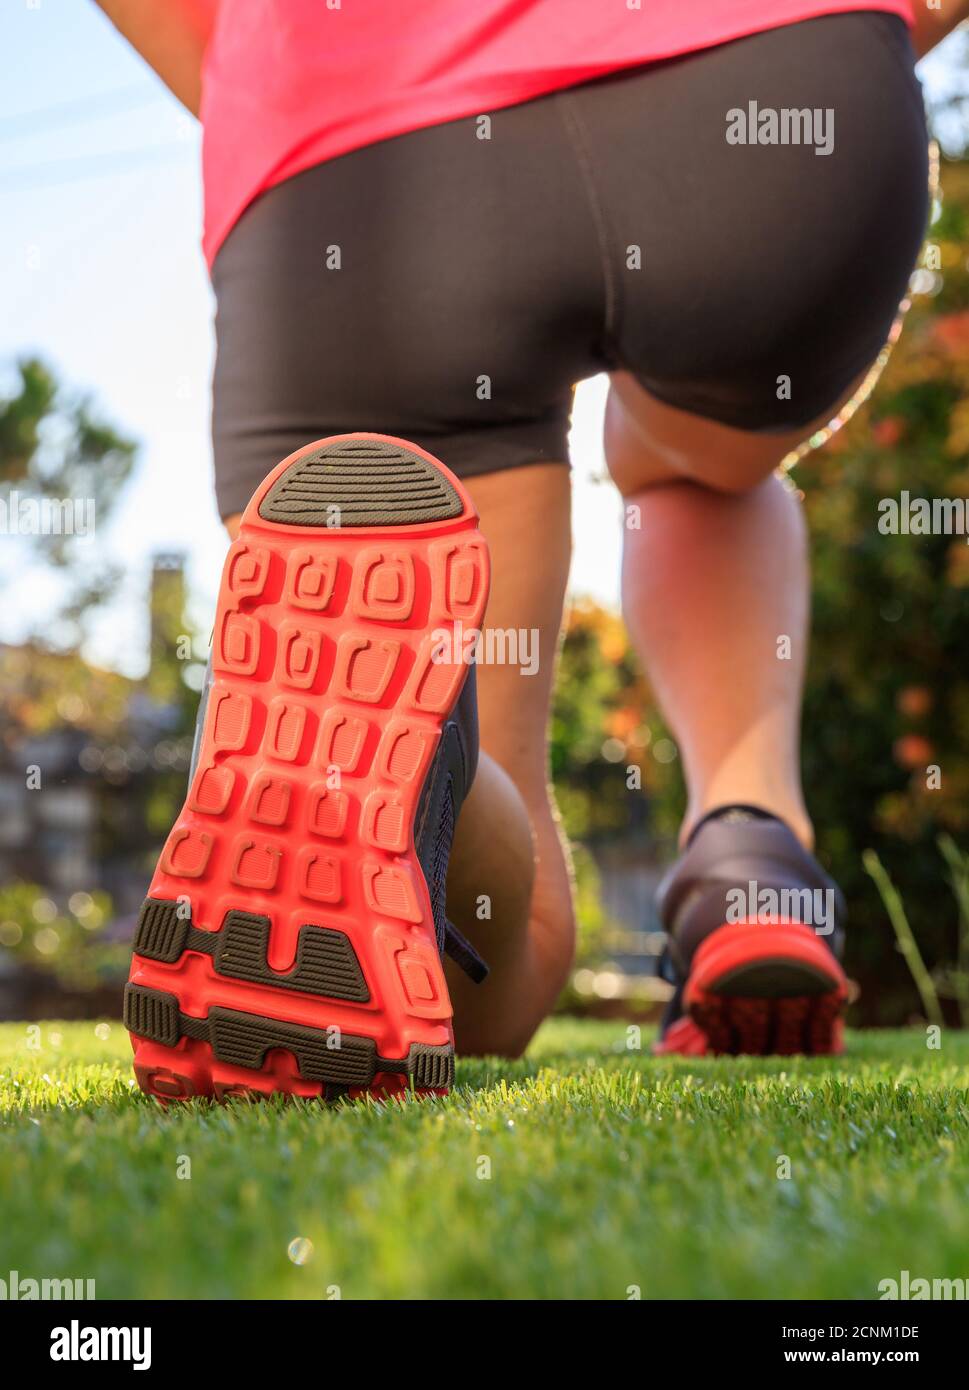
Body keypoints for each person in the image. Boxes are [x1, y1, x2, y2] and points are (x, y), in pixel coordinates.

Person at [99, 0, 968, 1096]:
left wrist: (273, 98)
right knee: (688, 460)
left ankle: (422, 797)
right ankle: (749, 851)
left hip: (360, 167)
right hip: (772, 95)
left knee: (503, 921)